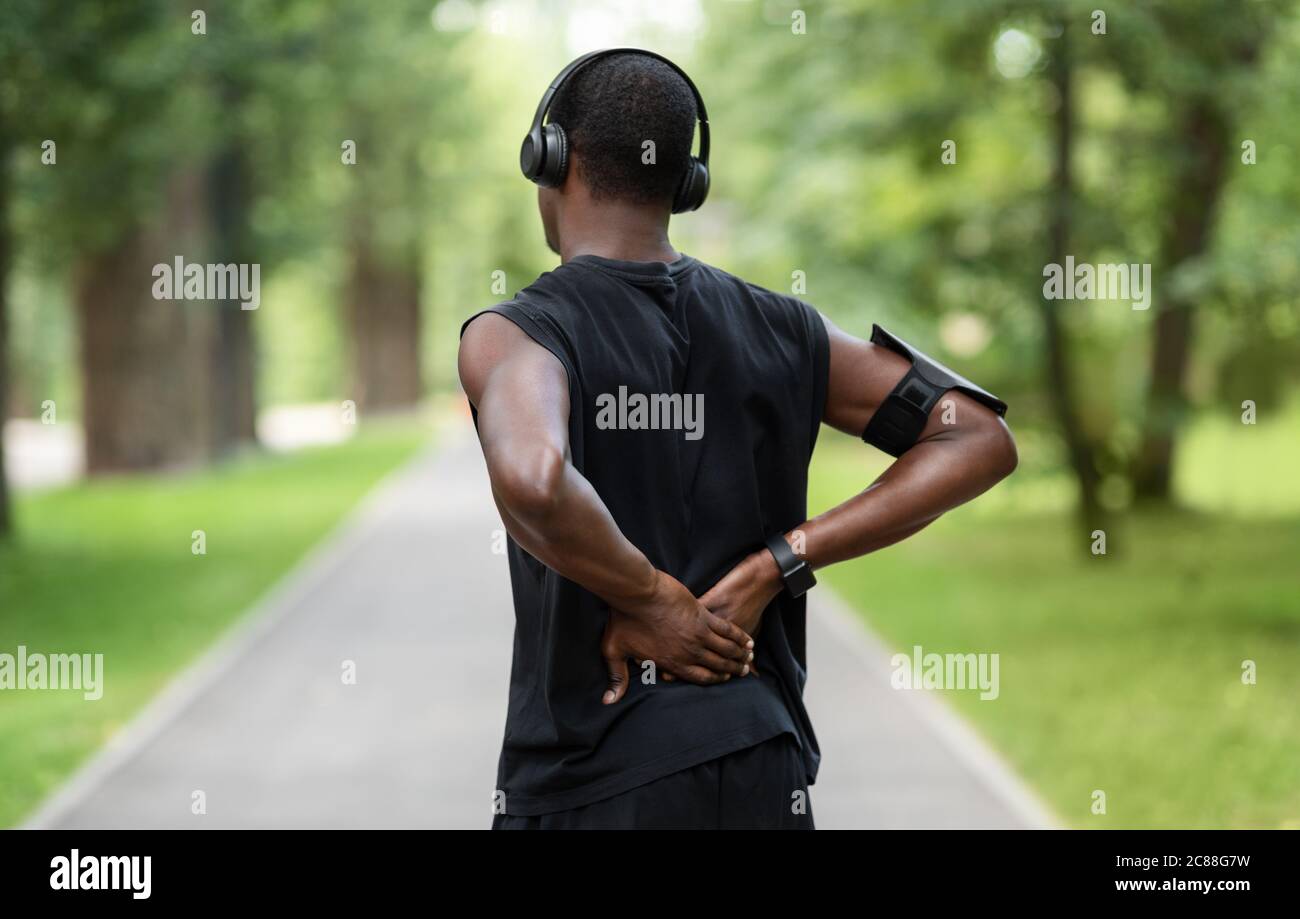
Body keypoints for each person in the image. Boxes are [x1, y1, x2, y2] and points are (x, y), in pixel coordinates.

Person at [458, 49, 1017, 830]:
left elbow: (534, 480)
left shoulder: (518, 335)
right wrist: (782, 560)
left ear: (553, 159)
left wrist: (651, 598)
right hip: (762, 760)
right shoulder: (783, 326)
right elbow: (978, 436)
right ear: (687, 181)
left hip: (597, 779)